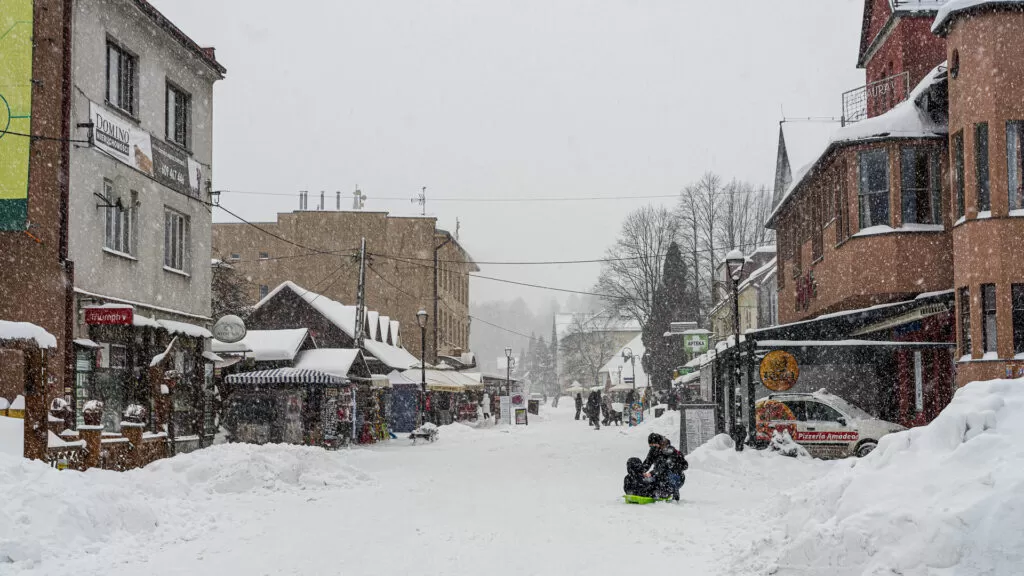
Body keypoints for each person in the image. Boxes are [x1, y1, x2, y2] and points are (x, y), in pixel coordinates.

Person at [642, 433, 688, 501]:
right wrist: (640, 472)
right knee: (651, 481)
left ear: (659, 443)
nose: (652, 448)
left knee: (665, 475)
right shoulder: (653, 450)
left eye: (654, 445)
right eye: (651, 446)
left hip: (676, 476)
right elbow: (647, 463)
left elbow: (664, 467)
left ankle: (674, 492)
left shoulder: (669, 450)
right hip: (660, 473)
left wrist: (651, 473)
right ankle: (660, 491)